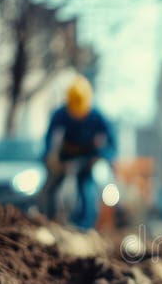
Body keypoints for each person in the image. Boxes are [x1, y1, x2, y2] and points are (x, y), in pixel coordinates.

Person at [41, 75, 117, 230]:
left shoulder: (97, 116)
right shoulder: (60, 114)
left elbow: (112, 143)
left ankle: (85, 225)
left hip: (88, 156)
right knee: (52, 184)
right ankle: (48, 218)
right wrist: (50, 156)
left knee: (86, 185)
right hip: (66, 152)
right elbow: (49, 136)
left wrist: (102, 157)